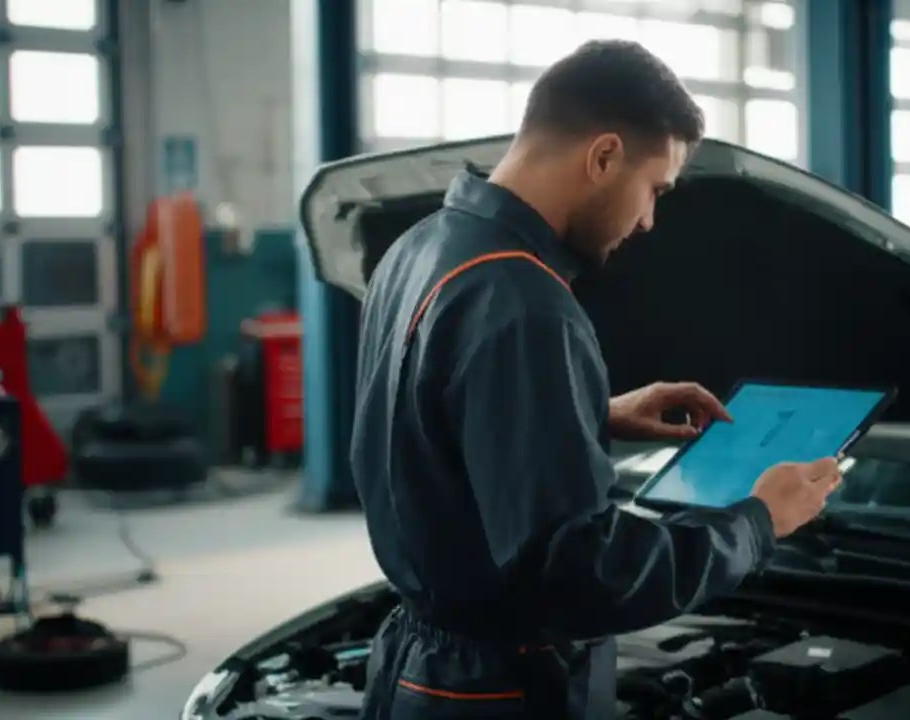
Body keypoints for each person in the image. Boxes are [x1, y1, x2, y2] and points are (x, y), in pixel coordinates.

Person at [351, 40, 843, 720]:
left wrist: (589, 412)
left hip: (419, 669)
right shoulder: (524, 301)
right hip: (504, 693)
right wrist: (758, 522)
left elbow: (424, 425)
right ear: (604, 155)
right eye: (655, 190)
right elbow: (582, 572)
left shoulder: (422, 248)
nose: (647, 221)